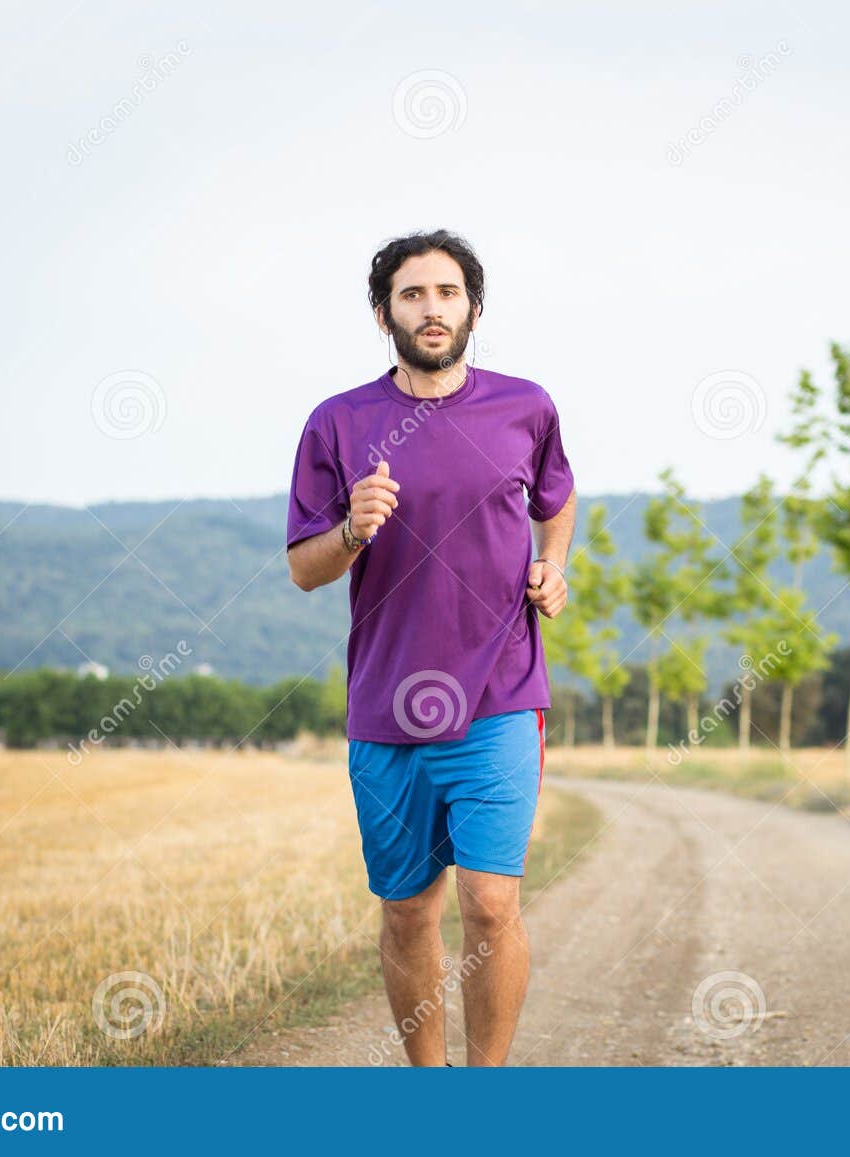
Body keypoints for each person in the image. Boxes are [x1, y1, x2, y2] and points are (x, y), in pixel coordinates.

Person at [284, 229, 576, 1066]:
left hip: (500, 696)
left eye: (447, 292)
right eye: (412, 294)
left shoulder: (526, 407)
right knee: (410, 911)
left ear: (474, 308)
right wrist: (352, 528)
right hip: (388, 709)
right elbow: (305, 569)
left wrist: (553, 563)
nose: (432, 308)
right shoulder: (338, 422)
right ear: (385, 315)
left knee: (490, 903)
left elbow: (556, 497)